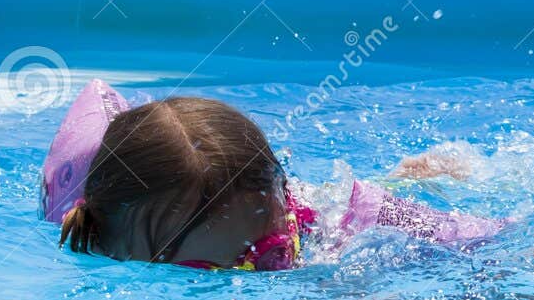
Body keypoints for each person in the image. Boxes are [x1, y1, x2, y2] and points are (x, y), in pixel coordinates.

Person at [42, 80, 503, 270]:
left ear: (279, 195)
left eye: (274, 254)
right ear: (119, 249)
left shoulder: (348, 221)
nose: (271, 278)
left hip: (325, 217)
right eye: (238, 268)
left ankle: (414, 176)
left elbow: (500, 245)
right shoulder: (99, 229)